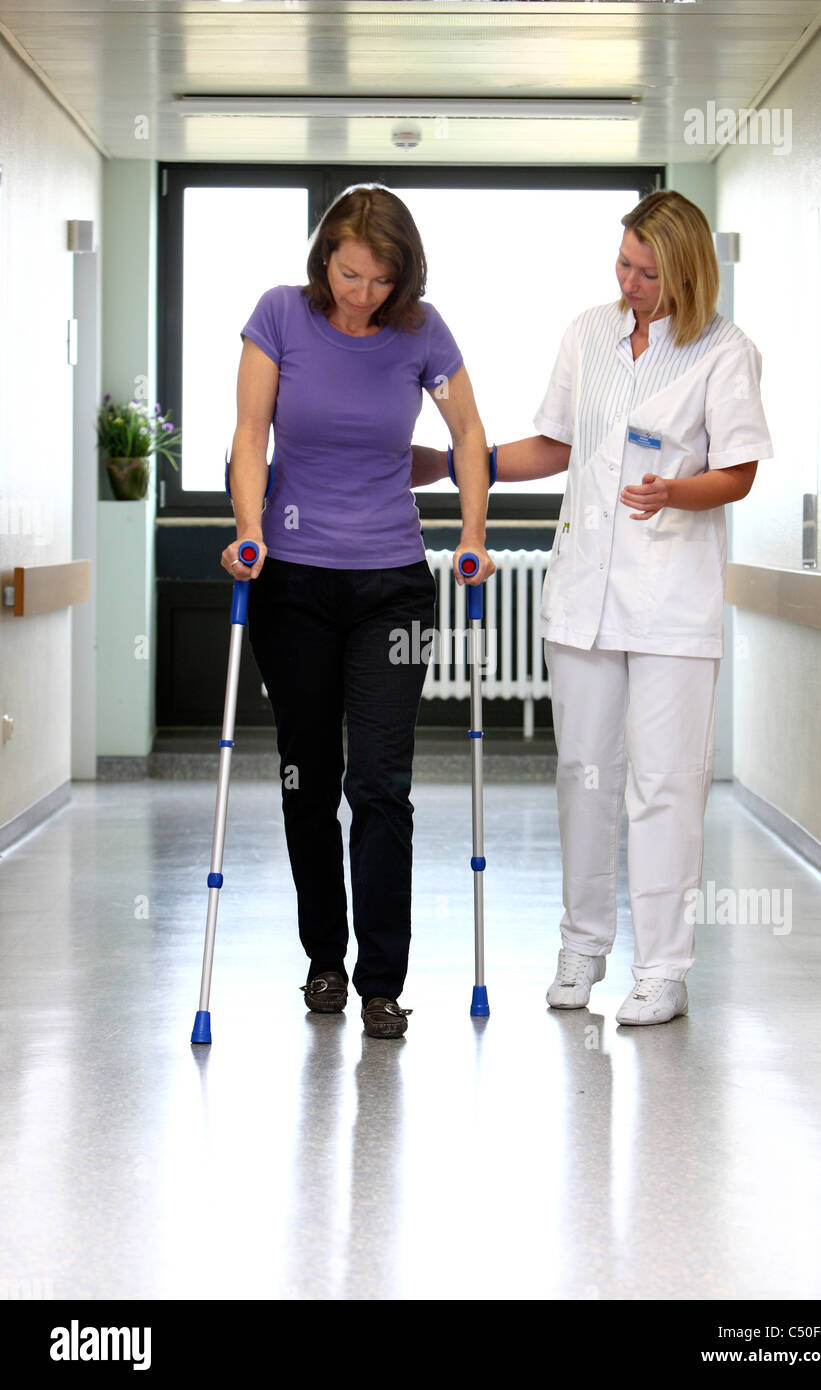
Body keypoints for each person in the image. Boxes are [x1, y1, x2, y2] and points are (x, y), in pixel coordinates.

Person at [412, 190, 773, 1025]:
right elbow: (558, 444)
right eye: (623, 263)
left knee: (666, 786)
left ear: (688, 273)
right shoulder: (588, 334)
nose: (630, 282)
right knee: (583, 778)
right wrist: (461, 461)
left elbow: (741, 471)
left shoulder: (725, 352)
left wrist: (675, 490)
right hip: (583, 596)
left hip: (672, 601)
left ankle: (664, 969)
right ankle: (582, 946)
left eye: (648, 272)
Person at [224, 183, 494, 1039]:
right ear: (324, 260)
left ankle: (381, 982)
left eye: (381, 281)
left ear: (404, 277)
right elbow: (250, 434)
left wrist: (474, 533)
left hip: (392, 588)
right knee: (307, 779)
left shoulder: (424, 331)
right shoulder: (278, 316)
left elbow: (469, 436)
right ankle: (324, 962)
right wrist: (248, 529)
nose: (362, 294)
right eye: (349, 275)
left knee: (380, 783)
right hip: (293, 584)